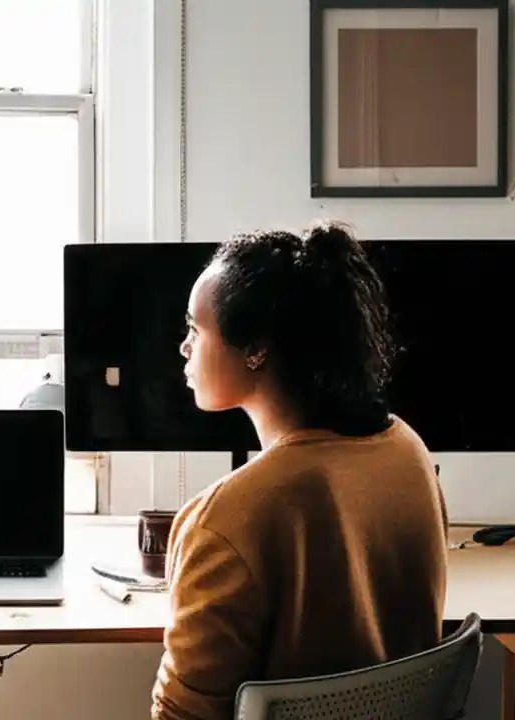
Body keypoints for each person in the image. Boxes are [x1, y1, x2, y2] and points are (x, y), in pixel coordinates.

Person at [150, 222, 449, 719]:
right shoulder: (408, 450)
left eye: (194, 329)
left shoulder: (221, 522)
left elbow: (182, 716)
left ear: (255, 350)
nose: (184, 346)